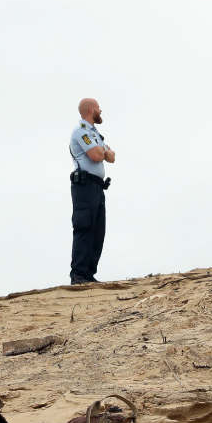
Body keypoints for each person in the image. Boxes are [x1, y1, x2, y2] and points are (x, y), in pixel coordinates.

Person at [68, 97, 115, 284]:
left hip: (97, 186)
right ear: (91, 110)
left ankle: (88, 274)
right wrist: (104, 151)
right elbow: (96, 155)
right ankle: (78, 274)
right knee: (85, 227)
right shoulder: (81, 132)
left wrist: (104, 152)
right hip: (84, 186)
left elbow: (112, 157)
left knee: (98, 230)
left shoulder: (95, 134)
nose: (100, 110)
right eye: (98, 107)